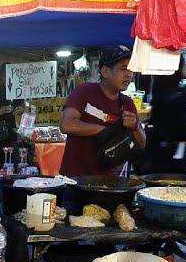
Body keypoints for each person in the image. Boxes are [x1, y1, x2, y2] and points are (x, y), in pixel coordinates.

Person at [58, 46, 145, 177]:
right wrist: (103, 130)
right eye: (123, 68)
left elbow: (142, 143)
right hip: (75, 179)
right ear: (105, 71)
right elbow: (66, 125)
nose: (129, 74)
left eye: (131, 69)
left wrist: (135, 127)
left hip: (110, 181)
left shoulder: (127, 102)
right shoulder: (85, 91)